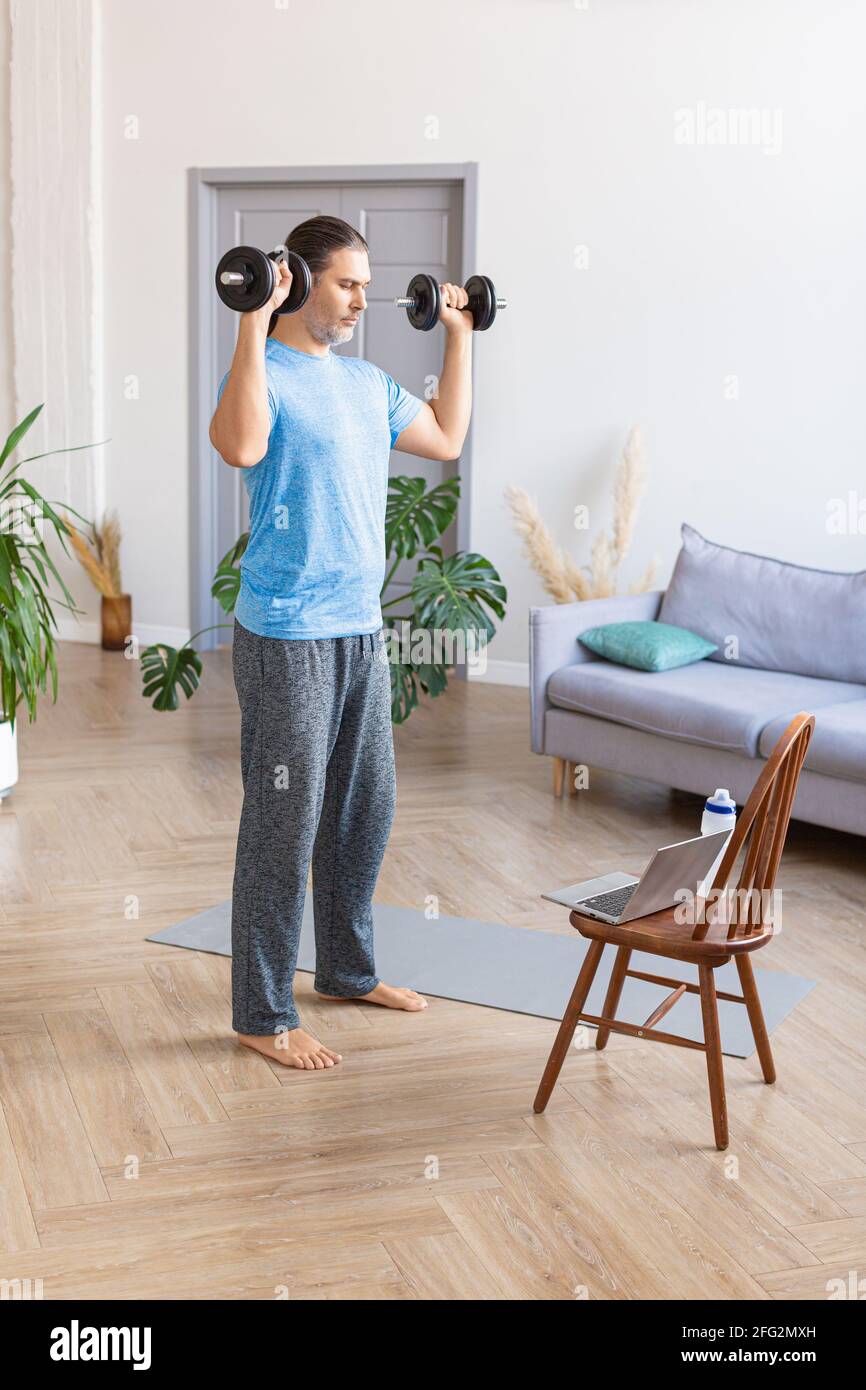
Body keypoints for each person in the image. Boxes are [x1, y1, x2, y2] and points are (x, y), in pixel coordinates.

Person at [209, 215, 473, 1071]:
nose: (365, 298)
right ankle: (260, 1012)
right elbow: (241, 444)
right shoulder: (268, 372)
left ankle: (348, 974)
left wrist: (462, 337)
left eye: (367, 282)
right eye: (348, 283)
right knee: (285, 823)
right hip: (286, 634)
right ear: (296, 281)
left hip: (361, 630)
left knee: (364, 812)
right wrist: (252, 318)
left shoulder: (365, 384)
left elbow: (445, 438)